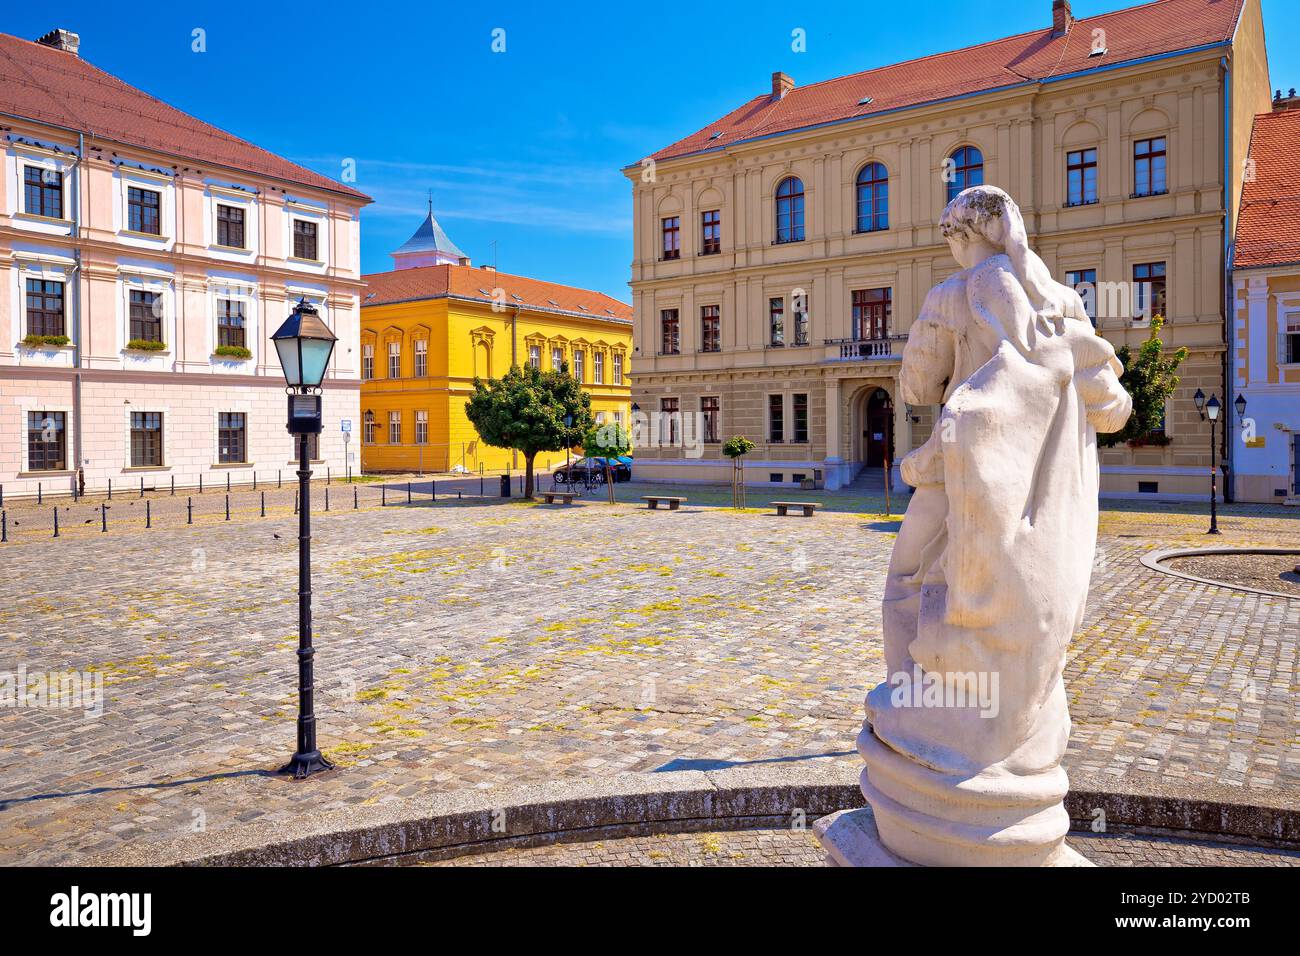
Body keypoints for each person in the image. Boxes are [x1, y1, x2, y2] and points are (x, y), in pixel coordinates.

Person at [859, 184, 1132, 866]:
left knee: (908, 579)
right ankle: (1004, 737)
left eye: (950, 239)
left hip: (961, 478)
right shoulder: (1064, 302)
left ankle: (924, 718)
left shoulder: (955, 292)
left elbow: (918, 385)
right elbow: (1114, 410)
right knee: (1025, 622)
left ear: (961, 235)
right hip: (1049, 509)